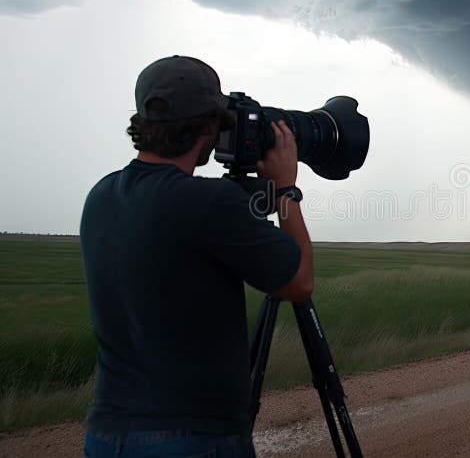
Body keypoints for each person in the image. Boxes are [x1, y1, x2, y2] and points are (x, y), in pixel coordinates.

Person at [79, 55, 314, 457]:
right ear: (208, 124)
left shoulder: (102, 195)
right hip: (192, 436)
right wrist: (286, 191)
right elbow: (299, 282)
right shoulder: (205, 202)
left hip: (107, 434)